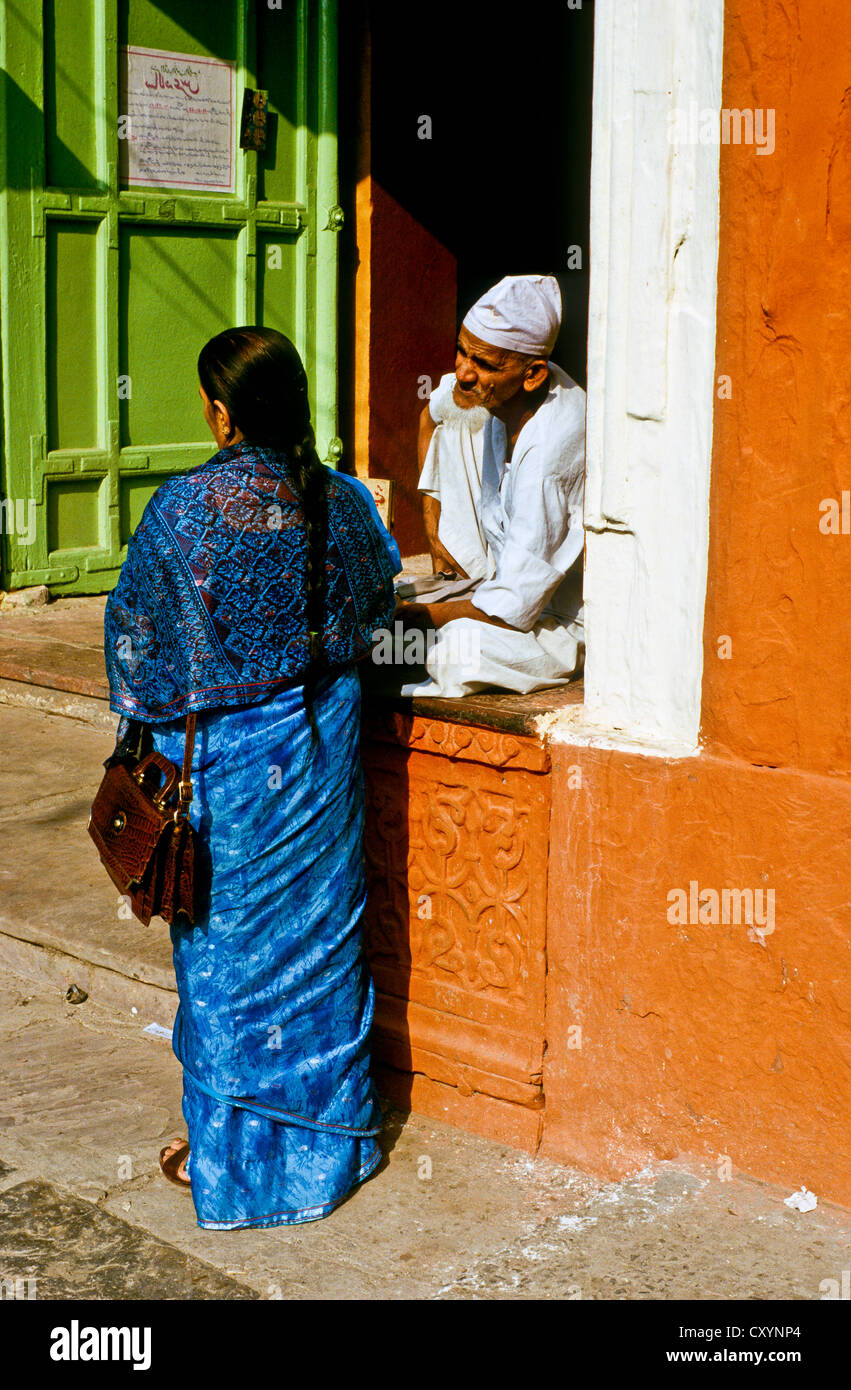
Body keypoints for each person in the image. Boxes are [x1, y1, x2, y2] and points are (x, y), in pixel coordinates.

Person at [103, 326, 401, 1230]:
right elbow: (377, 611)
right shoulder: (343, 503)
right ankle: (330, 1149)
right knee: (318, 953)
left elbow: (133, 646)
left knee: (228, 967)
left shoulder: (184, 513)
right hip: (319, 772)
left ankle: (234, 1168)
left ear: (221, 415)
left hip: (230, 787)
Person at [395, 274, 585, 698]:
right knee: (460, 420)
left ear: (533, 374)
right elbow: (431, 414)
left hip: (558, 622)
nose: (463, 371)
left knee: (452, 650)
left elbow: (512, 612)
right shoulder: (483, 384)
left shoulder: (553, 448)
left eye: (482, 364)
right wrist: (432, 527)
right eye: (461, 352)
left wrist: (410, 617)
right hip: (500, 579)